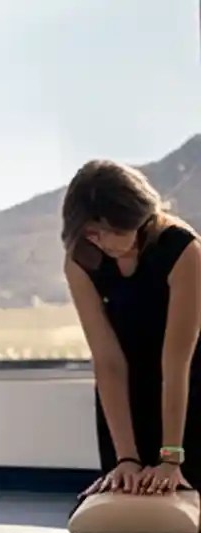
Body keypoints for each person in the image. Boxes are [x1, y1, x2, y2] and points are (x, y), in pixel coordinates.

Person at [61, 159, 200, 498]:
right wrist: (126, 457)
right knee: (127, 499)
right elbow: (107, 361)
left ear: (139, 218)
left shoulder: (183, 251)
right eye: (94, 232)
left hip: (187, 383)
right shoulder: (81, 260)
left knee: (185, 508)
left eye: (117, 230)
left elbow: (176, 362)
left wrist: (171, 457)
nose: (106, 242)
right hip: (125, 391)